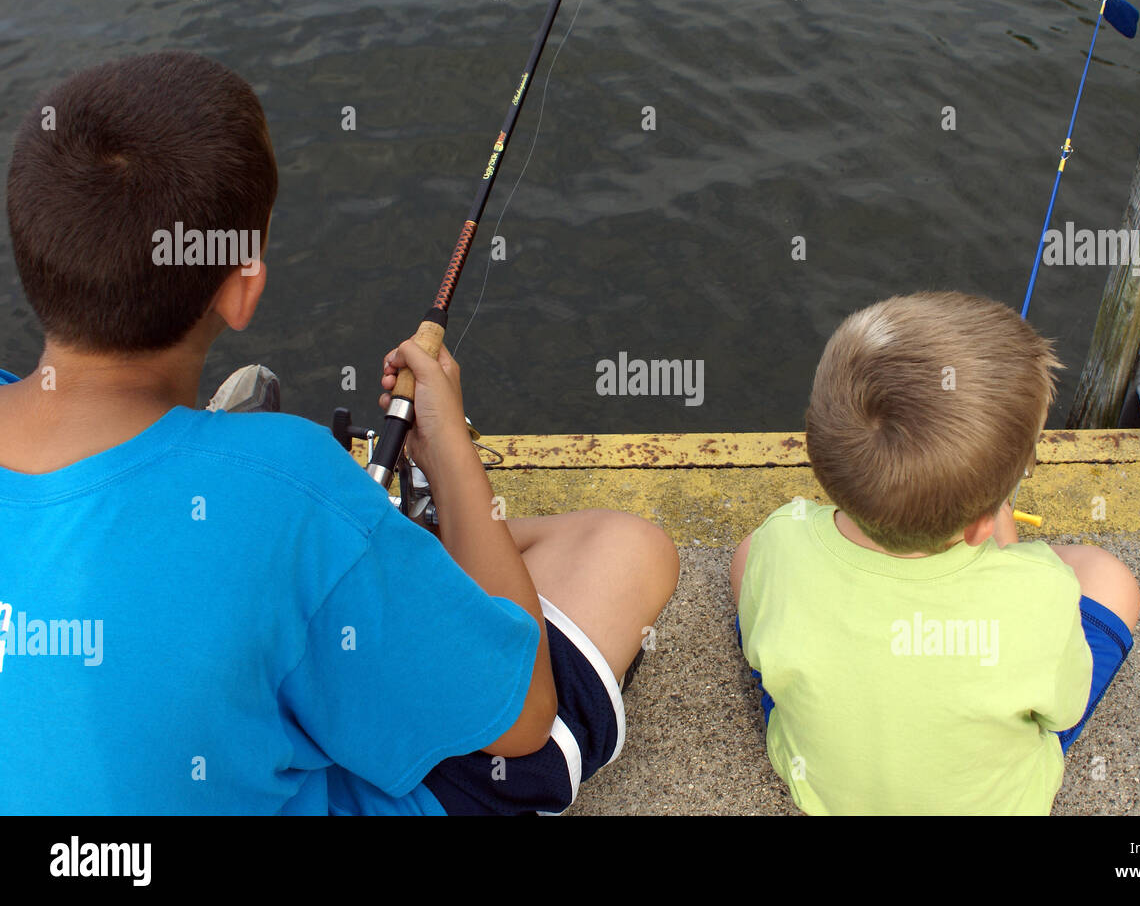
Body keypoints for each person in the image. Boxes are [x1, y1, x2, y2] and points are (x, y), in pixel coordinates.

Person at [0, 50, 678, 815]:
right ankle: (385, 542)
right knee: (629, 551)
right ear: (243, 285)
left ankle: (360, 546)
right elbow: (522, 719)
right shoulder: (291, 483)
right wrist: (448, 445)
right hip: (288, 548)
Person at [729, 292, 1140, 814]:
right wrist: (1008, 552)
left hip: (819, 785)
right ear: (981, 526)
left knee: (749, 554)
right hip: (990, 803)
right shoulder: (1038, 594)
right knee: (1108, 575)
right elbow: (1060, 710)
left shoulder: (780, 539)